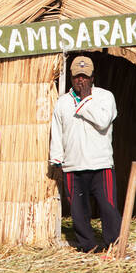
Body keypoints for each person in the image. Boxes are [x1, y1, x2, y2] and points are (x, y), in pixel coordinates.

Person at [49, 55, 120, 252]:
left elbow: (103, 121)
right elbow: (57, 130)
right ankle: (87, 246)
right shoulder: (63, 102)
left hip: (100, 164)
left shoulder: (105, 97)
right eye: (77, 77)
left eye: (85, 76)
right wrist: (57, 156)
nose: (81, 80)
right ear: (71, 78)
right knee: (78, 211)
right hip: (73, 164)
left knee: (108, 206)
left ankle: (113, 244)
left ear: (92, 77)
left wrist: (86, 101)